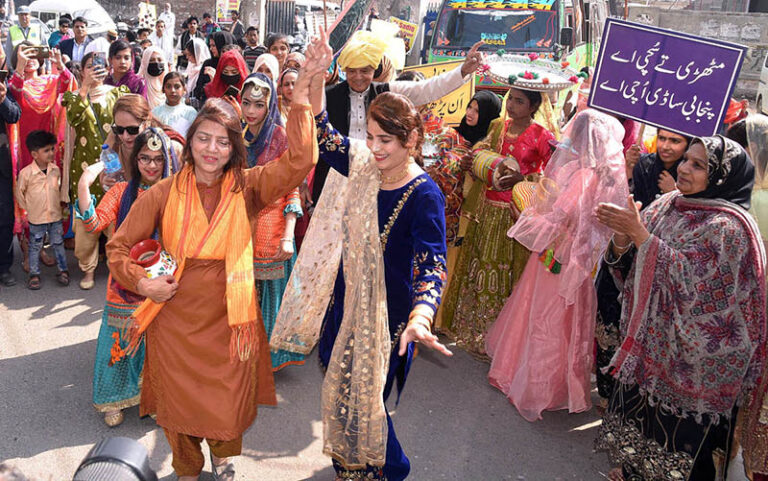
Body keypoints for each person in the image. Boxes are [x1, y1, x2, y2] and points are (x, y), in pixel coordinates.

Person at [104, 34, 324, 478]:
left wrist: (301, 98)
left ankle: (223, 458)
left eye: (223, 142)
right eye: (203, 139)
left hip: (230, 322)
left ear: (234, 149)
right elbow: (118, 248)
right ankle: (187, 468)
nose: (212, 149)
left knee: (227, 406)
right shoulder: (163, 193)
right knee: (178, 412)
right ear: (190, 143)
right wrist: (143, 283)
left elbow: (300, 161)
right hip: (174, 321)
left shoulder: (248, 187)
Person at [273, 32, 452, 478]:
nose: (374, 148)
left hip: (391, 319)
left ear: (411, 139)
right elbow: (322, 129)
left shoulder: (423, 193)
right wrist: (315, 73)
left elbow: (432, 263)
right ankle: (349, 463)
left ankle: (391, 468)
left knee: (367, 398)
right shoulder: (365, 166)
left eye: (386, 141)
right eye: (370, 137)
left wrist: (422, 317)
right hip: (344, 300)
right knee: (341, 387)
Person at [594, 136, 766, 480]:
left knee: (681, 455)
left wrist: (639, 235)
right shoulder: (669, 204)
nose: (684, 168)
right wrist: (624, 236)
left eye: (698, 165)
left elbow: (695, 289)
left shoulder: (729, 229)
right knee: (640, 435)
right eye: (686, 159)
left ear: (722, 175)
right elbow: (628, 269)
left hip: (693, 369)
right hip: (650, 352)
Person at [485, 110, 628, 421]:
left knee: (544, 319)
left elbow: (559, 217)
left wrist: (526, 218)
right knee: (562, 321)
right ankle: (556, 385)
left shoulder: (583, 175)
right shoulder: (600, 174)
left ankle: (538, 387)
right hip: (575, 259)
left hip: (559, 256)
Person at [442, 87, 555, 356]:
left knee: (507, 276)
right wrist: (474, 159)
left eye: (519, 101)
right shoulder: (497, 126)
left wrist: (525, 180)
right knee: (481, 270)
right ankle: (476, 333)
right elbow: (483, 151)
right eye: (510, 99)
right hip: (486, 211)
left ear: (533, 106)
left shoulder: (543, 136)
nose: (511, 106)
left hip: (515, 214)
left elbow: (554, 178)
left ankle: (504, 341)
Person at [76, 128, 177, 427]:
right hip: (124, 283)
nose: (151, 165)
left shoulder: (177, 194)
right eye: (144, 157)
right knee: (119, 341)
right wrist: (84, 183)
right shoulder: (121, 192)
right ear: (135, 159)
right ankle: (114, 398)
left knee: (161, 345)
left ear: (167, 161)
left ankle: (157, 398)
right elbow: (94, 224)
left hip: (164, 281)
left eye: (158, 159)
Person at [313, 32, 482, 205]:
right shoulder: (327, 96)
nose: (358, 77)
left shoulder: (386, 92)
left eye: (364, 71)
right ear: (345, 70)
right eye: (352, 71)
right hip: (335, 179)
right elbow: (310, 133)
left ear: (374, 69)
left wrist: (463, 70)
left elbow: (427, 89)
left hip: (378, 177)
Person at [237, 73, 305, 370]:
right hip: (238, 229)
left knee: (270, 298)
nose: (251, 111)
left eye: (259, 105)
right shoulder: (233, 134)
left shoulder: (279, 137)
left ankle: (265, 359)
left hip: (272, 231)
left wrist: (288, 233)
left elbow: (291, 186)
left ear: (270, 105)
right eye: (246, 103)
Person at [427, 90, 501, 329]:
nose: (470, 113)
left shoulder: (488, 144)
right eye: (469, 107)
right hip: (444, 210)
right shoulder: (451, 137)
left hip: (467, 214)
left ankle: (441, 318)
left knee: (453, 264)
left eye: (477, 110)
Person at [62, 52, 129, 290]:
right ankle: (87, 270)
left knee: (114, 219)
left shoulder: (118, 94)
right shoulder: (73, 97)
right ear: (82, 70)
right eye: (90, 66)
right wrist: (84, 88)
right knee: (86, 224)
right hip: (84, 170)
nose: (95, 70)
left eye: (99, 66)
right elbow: (73, 119)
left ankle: (115, 268)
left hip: (111, 168)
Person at [8, 43, 74, 173]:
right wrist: (20, 66)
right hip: (26, 142)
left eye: (34, 54)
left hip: (49, 138)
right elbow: (15, 91)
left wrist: (60, 64)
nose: (30, 60)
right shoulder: (14, 84)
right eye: (26, 56)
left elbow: (68, 82)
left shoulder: (50, 81)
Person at [16, 130, 69, 289]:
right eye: (46, 150)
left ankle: (63, 270)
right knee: (35, 245)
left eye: (52, 149)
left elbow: (59, 190)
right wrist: (27, 211)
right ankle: (34, 273)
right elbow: (19, 194)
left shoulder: (55, 170)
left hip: (55, 216)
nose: (51, 153)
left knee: (58, 243)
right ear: (34, 154)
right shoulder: (26, 174)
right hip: (36, 218)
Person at [626, 129, 691, 208]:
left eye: (675, 141)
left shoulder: (691, 175)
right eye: (662, 138)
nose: (665, 146)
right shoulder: (642, 164)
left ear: (688, 144)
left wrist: (674, 194)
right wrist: (629, 169)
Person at [0, 81, 21, 288]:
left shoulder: (3, 86)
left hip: (2, 165)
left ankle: (4, 267)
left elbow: (14, 115)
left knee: (4, 219)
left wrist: (3, 99)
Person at [193, 31, 236, 102]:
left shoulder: (235, 65)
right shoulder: (208, 64)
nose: (211, 49)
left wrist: (215, 79)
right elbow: (198, 90)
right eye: (210, 46)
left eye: (213, 46)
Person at [153, 72, 197, 136]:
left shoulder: (190, 113)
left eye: (177, 87)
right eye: (168, 87)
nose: (172, 90)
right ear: (163, 89)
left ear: (184, 89)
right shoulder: (156, 112)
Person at [183, 38, 210, 107]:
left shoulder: (205, 70)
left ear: (197, 54)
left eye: (189, 55)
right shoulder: (191, 66)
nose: (187, 58)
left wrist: (188, 101)